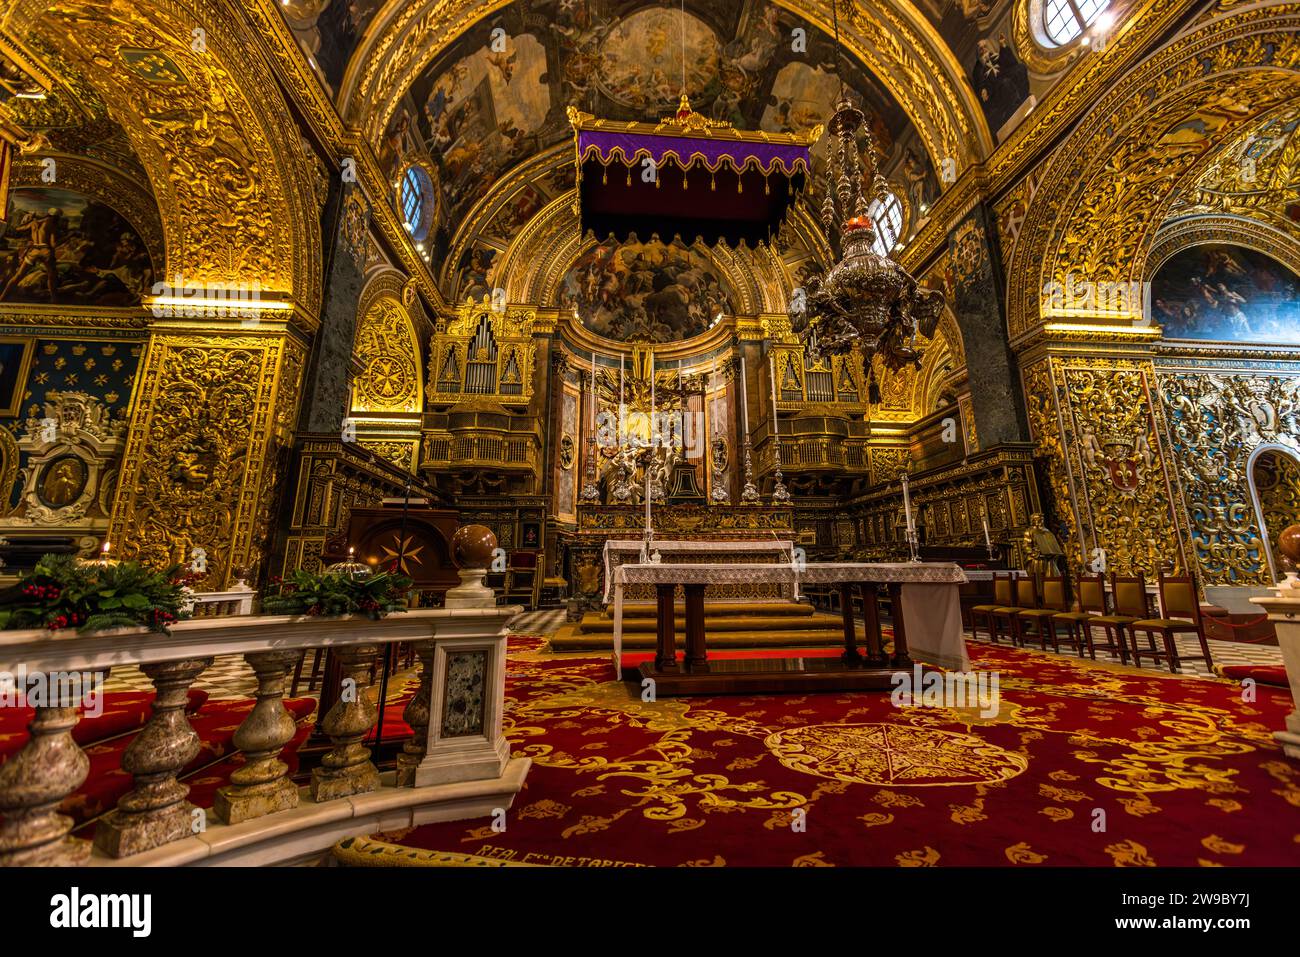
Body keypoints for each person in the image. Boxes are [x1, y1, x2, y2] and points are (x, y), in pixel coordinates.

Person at [1022, 512, 1065, 587]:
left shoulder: (1047, 531)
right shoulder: (1029, 531)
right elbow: (1026, 547)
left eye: (1042, 520)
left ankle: (1053, 592)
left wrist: (1054, 551)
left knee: (1053, 578)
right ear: (1033, 521)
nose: (1041, 522)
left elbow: (1052, 545)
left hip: (1049, 560)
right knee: (1039, 581)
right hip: (1037, 559)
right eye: (1039, 520)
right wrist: (1036, 553)